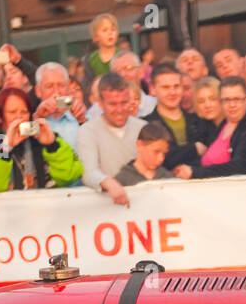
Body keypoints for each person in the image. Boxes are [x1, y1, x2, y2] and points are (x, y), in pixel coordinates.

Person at [0, 86, 82, 192]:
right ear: (0, 117)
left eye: (24, 112)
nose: (19, 117)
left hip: (45, 200)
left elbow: (70, 176)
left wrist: (52, 145)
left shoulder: (42, 136)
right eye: (12, 112)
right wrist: (5, 147)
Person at [178, 76, 246, 178]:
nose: (232, 105)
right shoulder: (225, 124)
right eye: (226, 100)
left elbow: (244, 165)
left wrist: (195, 172)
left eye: (237, 99)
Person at [74, 72, 143, 205]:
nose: (119, 109)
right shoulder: (88, 131)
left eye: (124, 102)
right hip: (106, 206)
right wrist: (108, 183)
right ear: (100, 104)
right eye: (112, 104)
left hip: (143, 203)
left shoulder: (142, 127)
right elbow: (88, 172)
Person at [144, 63, 215, 171]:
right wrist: (194, 149)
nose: (172, 92)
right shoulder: (145, 125)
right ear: (153, 89)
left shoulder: (200, 120)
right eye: (166, 87)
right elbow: (156, 159)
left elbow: (211, 154)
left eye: (176, 86)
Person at [32, 61, 87, 148]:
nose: (56, 92)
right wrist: (38, 117)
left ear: (68, 88)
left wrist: (83, 122)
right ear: (38, 91)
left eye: (61, 85)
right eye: (49, 86)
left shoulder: (81, 115)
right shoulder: (28, 116)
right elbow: (24, 141)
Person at [87, 13, 120, 80]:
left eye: (113, 29)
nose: (110, 33)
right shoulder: (90, 60)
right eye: (105, 30)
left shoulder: (123, 55)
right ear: (95, 36)